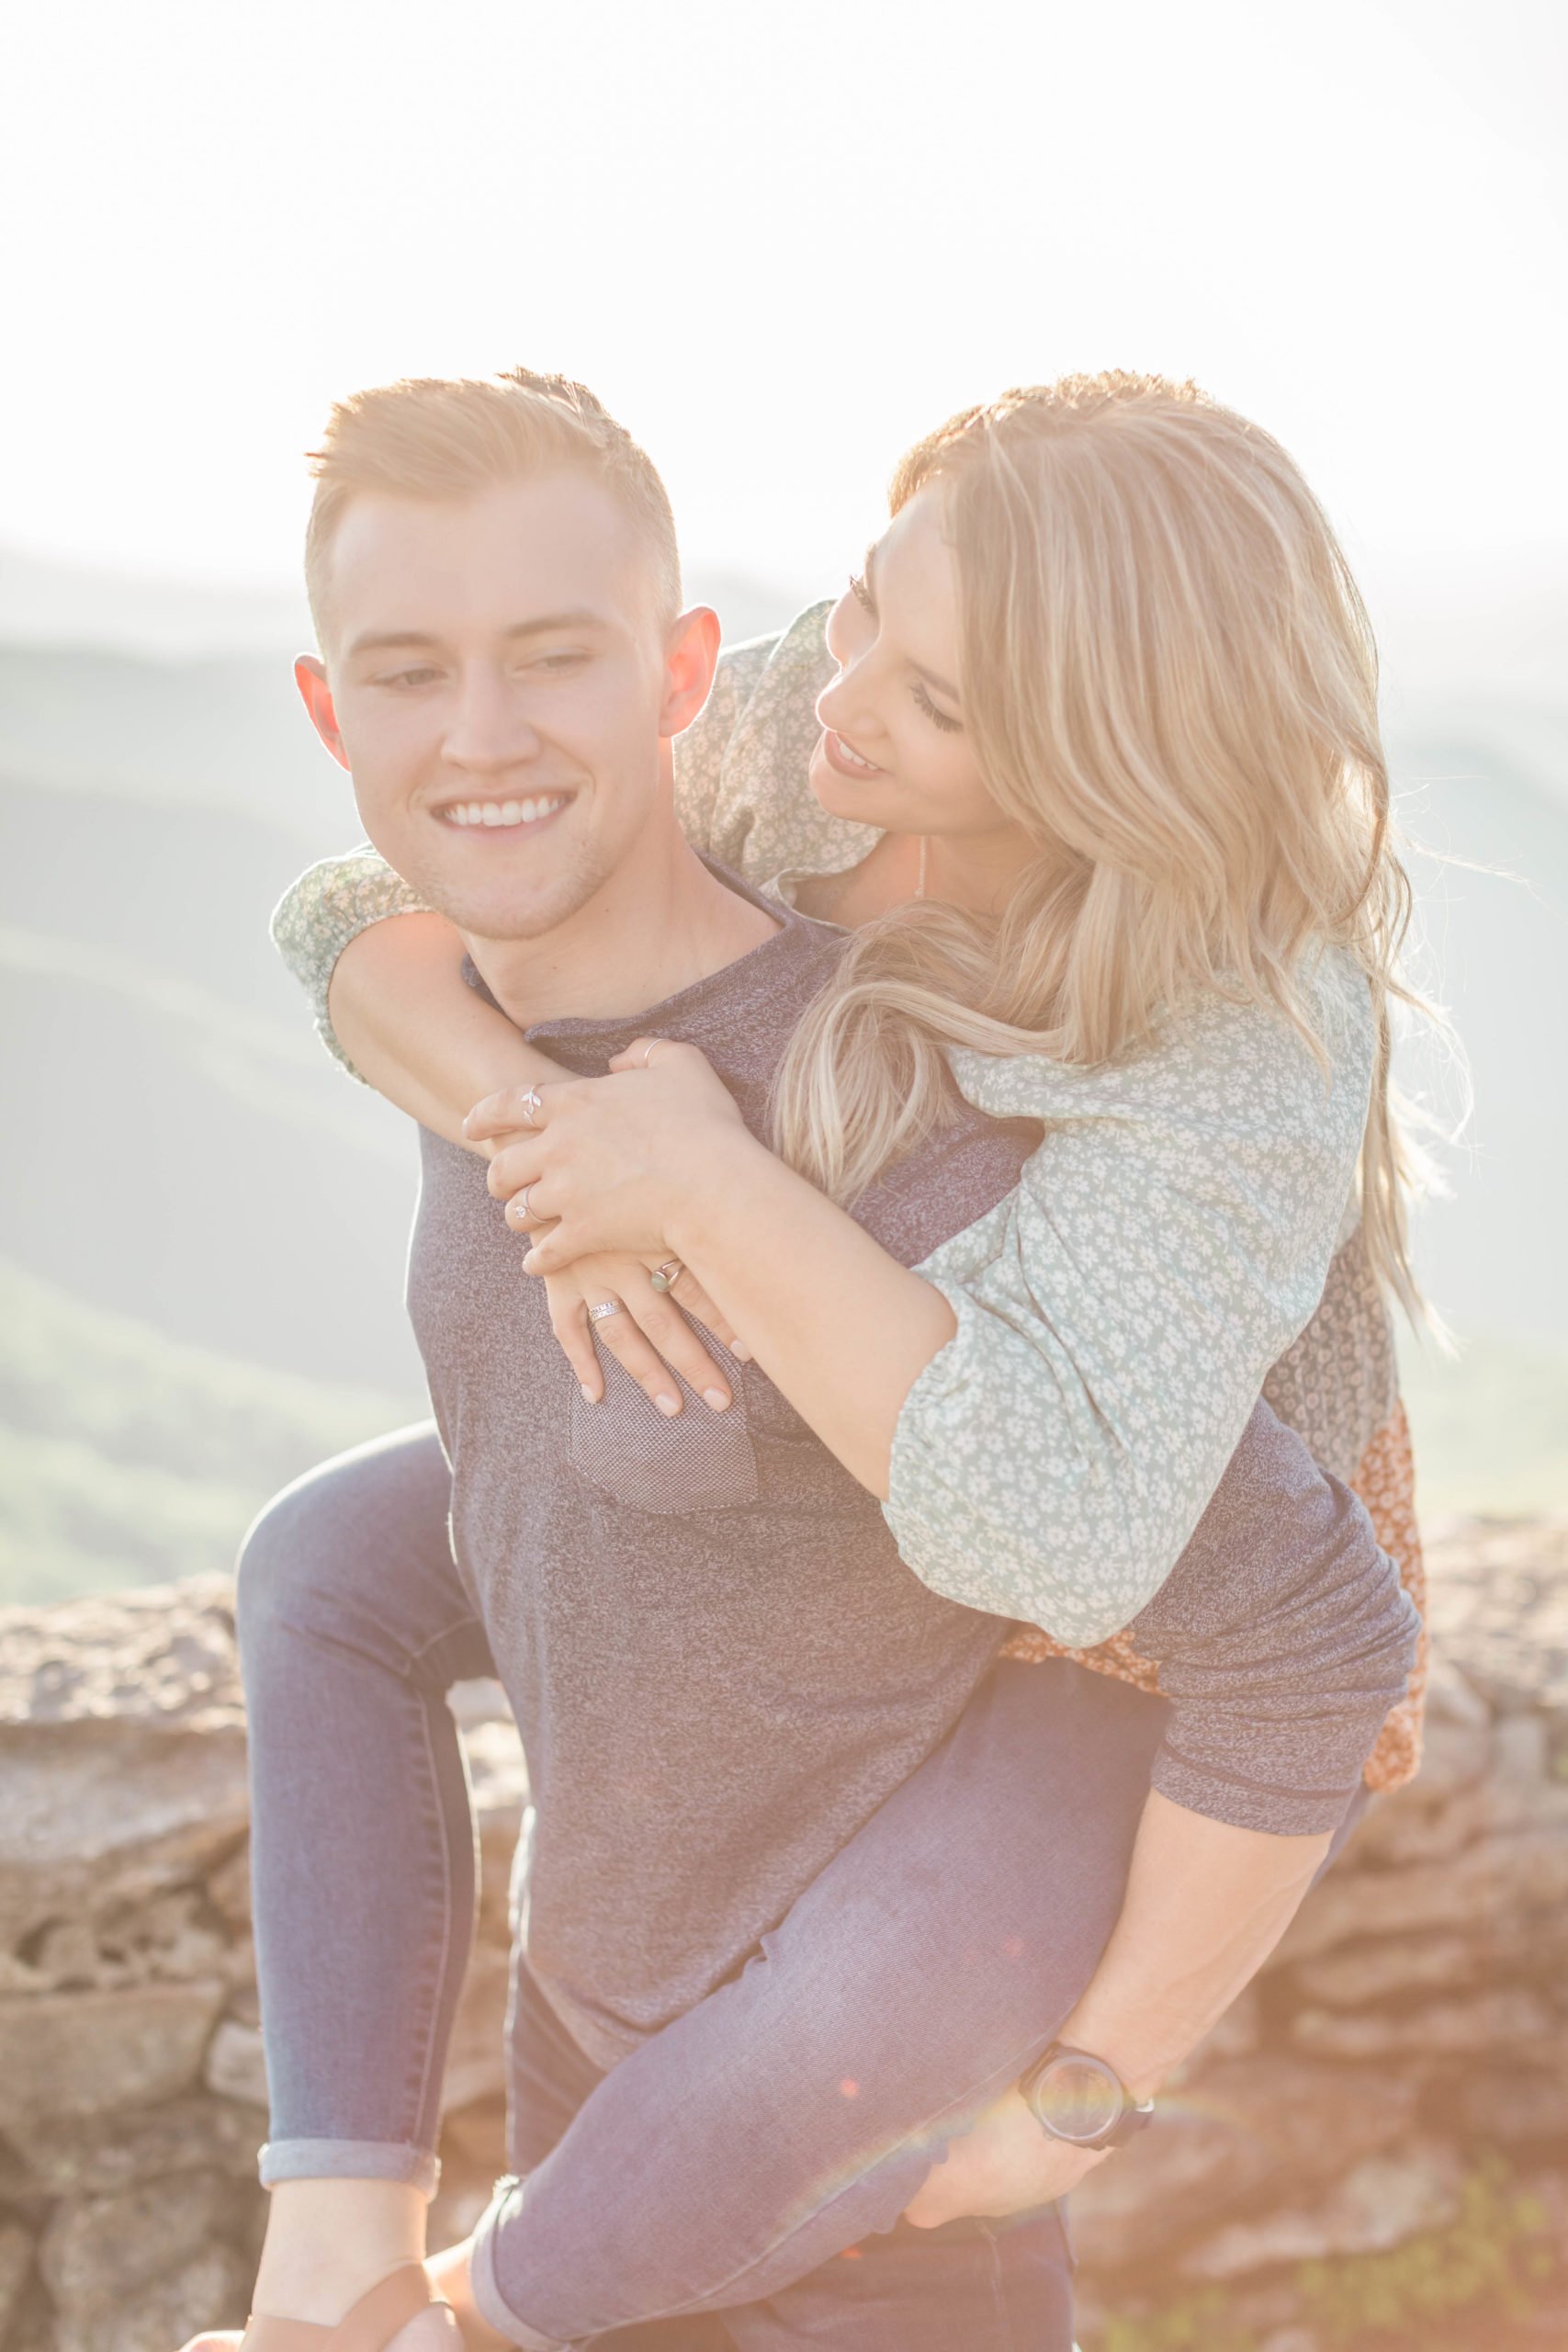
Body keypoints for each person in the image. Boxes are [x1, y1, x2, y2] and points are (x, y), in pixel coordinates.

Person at [210, 369, 1421, 2352]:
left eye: (936, 701)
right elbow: (375, 893)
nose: (847, 697)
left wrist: (1082, 2088)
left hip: (1096, 1571)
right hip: (609, 2042)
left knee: (892, 1962)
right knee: (325, 1557)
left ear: (1082, 761)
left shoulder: (1129, 1083)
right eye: (862, 604)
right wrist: (544, 1117)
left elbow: (1250, 1600)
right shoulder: (734, 773)